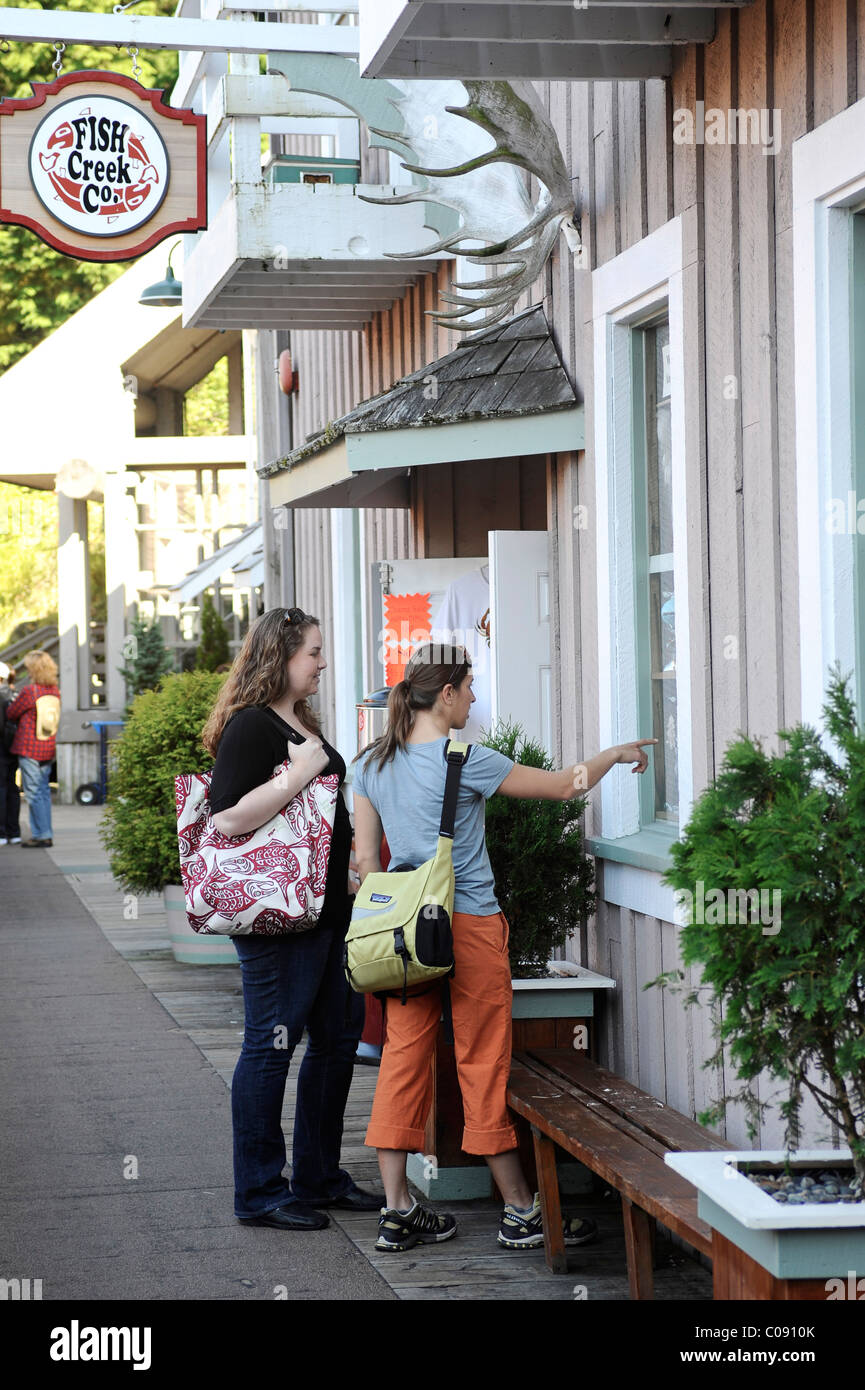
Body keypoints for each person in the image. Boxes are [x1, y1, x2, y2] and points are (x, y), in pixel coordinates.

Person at [352, 643, 656, 1254]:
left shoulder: (371, 764)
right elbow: (564, 787)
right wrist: (614, 754)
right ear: (445, 694)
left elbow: (364, 864)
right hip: (469, 926)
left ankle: (395, 1210)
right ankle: (520, 1210)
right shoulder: (466, 759)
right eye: (468, 688)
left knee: (403, 1057)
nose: (473, 699)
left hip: (404, 934)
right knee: (482, 1060)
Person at [202, 606, 382, 1231]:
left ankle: (318, 1176)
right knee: (268, 1047)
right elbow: (224, 819)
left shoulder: (298, 720)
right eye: (313, 651)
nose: (323, 661)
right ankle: (259, 1193)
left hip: (328, 913)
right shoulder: (252, 727)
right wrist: (300, 773)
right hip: (278, 921)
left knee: (336, 1040)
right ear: (280, 656)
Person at [6, 650, 60, 848]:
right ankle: (45, 832)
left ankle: (41, 835)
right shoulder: (54, 690)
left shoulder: (31, 691)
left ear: (34, 669)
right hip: (47, 745)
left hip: (29, 747)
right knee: (43, 792)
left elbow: (12, 712)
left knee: (33, 793)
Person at [0, 663, 22, 846]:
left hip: (1, 747)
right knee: (12, 788)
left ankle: (1, 833)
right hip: (13, 747)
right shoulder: (15, 694)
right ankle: (14, 832)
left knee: (1, 788)